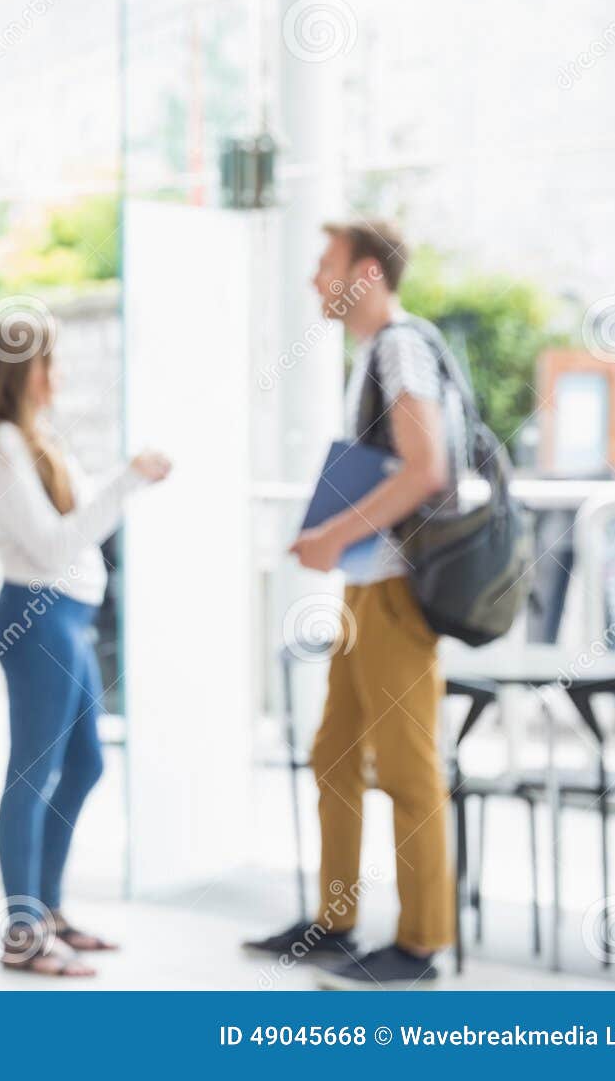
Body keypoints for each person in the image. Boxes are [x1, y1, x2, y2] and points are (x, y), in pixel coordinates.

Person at [243, 218, 468, 989]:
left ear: (367, 273)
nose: (315, 278)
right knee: (333, 752)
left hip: (396, 590)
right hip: (367, 589)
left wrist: (332, 535)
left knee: (407, 770)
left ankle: (420, 943)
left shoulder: (401, 346)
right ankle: (334, 923)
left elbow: (426, 468)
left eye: (327, 264)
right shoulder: (374, 353)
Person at [0, 308, 171, 977]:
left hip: (66, 620)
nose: (58, 374)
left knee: (84, 764)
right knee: (32, 772)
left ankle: (44, 909)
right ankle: (23, 929)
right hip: (37, 617)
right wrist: (128, 479)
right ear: (22, 371)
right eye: (49, 361)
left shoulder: (33, 438)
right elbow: (53, 543)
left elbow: (68, 524)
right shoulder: (0, 446)